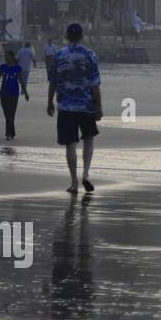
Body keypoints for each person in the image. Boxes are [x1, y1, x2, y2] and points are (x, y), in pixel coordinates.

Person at [47, 22, 102, 196]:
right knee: (89, 139)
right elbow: (95, 84)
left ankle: (74, 182)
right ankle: (86, 173)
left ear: (67, 35)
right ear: (82, 35)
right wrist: (99, 106)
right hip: (86, 105)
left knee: (70, 144)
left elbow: (53, 81)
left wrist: (50, 102)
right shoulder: (90, 55)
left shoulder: (59, 54)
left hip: (65, 106)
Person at [0, 49, 28, 141]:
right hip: (3, 93)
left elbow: (22, 81)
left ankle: (8, 134)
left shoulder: (17, 68)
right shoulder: (2, 67)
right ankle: (12, 132)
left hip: (14, 94)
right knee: (7, 114)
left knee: (11, 114)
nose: (6, 58)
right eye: (5, 56)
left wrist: (25, 92)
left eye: (8, 56)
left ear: (12, 57)